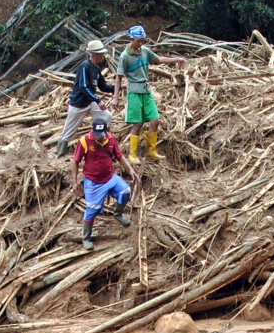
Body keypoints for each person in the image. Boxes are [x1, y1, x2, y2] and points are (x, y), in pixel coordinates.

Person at [116, 24, 187, 162]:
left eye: (143, 40)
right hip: (134, 92)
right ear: (131, 39)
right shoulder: (124, 56)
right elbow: (118, 77)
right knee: (138, 123)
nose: (141, 43)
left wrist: (177, 59)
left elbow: (159, 59)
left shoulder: (145, 51)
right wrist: (115, 97)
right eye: (139, 40)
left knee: (155, 120)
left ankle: (151, 151)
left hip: (146, 91)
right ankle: (133, 154)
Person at [71, 117, 139, 250]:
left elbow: (119, 156)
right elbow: (75, 161)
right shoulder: (84, 141)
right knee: (92, 209)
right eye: (97, 135)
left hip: (110, 177)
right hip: (93, 181)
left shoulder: (111, 139)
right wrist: (74, 181)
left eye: (102, 135)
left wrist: (130, 170)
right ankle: (86, 238)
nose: (100, 138)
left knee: (125, 191)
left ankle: (118, 214)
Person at [56, 39, 117, 158]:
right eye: (102, 54)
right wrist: (98, 100)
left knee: (106, 117)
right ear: (96, 55)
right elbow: (83, 86)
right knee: (68, 132)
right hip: (78, 104)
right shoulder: (85, 66)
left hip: (90, 102)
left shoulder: (97, 69)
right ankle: (60, 155)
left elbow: (103, 86)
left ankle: (103, 143)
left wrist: (117, 88)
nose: (104, 56)